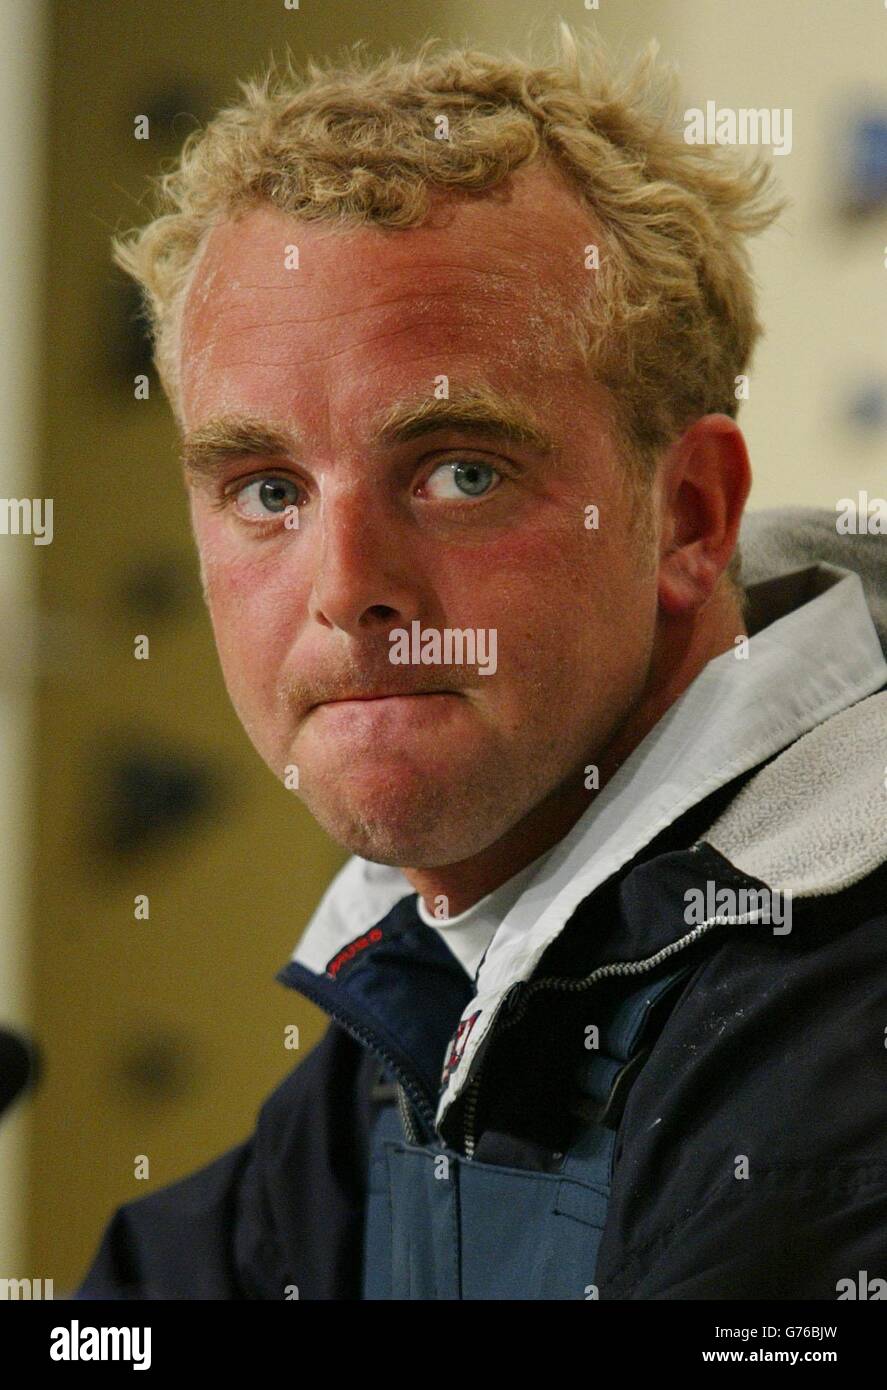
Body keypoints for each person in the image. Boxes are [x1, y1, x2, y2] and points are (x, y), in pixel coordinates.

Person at [76, 26, 887, 1300]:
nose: (346, 591)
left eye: (461, 471)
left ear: (685, 516)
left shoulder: (831, 1031)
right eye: (266, 488)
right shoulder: (465, 935)